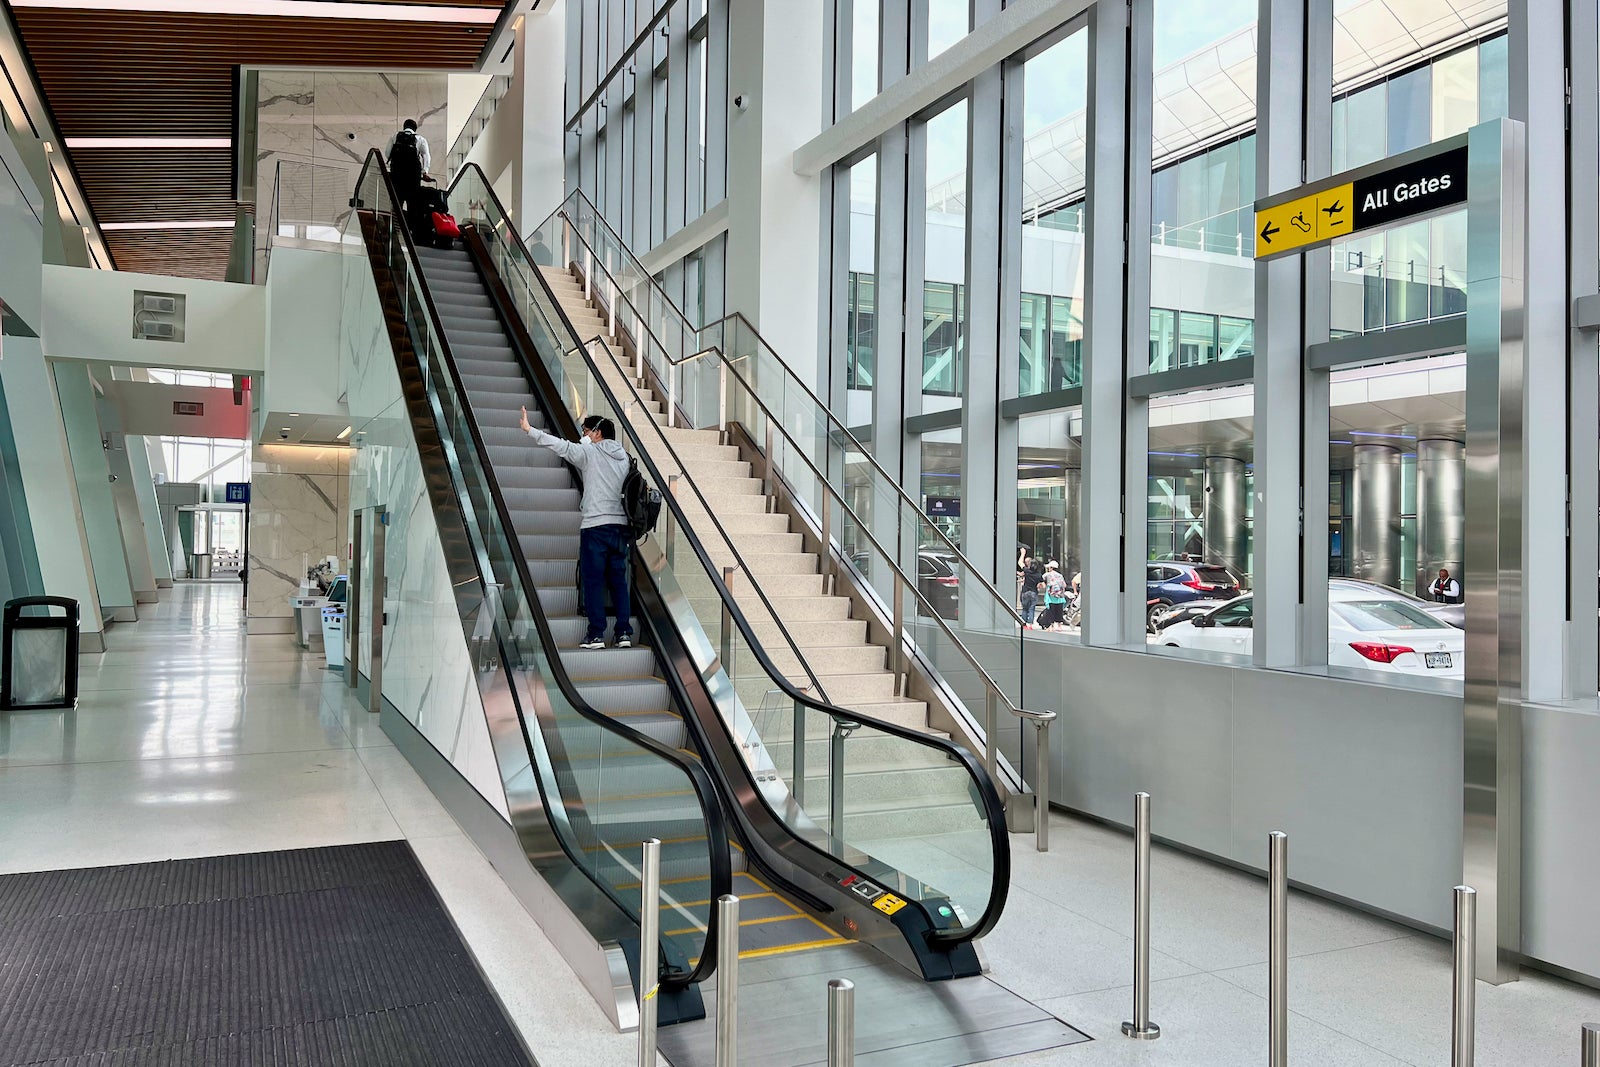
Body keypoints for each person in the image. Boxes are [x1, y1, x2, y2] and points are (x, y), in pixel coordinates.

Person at [519, 408, 634, 649]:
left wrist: (530, 431)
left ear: (597, 433)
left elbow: (561, 446)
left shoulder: (589, 453)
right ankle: (623, 633)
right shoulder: (624, 457)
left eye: (586, 431)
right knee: (618, 581)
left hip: (596, 527)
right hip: (621, 528)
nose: (583, 436)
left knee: (592, 580)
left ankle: (596, 634)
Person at [387, 119, 431, 237]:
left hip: (397, 176)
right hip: (412, 177)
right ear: (415, 129)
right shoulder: (420, 139)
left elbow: (387, 153)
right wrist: (425, 172)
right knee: (412, 204)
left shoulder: (395, 136)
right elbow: (426, 156)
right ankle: (410, 232)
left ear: (404, 126)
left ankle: (394, 230)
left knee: (396, 203)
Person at [1040, 561, 1068, 630]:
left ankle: (1051, 626)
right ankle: (1059, 626)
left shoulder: (1047, 574)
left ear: (1051, 567)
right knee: (1059, 611)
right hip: (1060, 597)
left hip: (1051, 597)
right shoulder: (1060, 575)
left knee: (1051, 611)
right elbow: (1064, 585)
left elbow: (1040, 579)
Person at [1018, 550, 1043, 628]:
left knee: (1025, 609)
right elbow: (1042, 584)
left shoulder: (1027, 571)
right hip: (1034, 592)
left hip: (1025, 591)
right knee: (1032, 608)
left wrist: (1023, 553)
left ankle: (1023, 624)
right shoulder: (1039, 574)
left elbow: (1020, 563)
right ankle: (1030, 625)